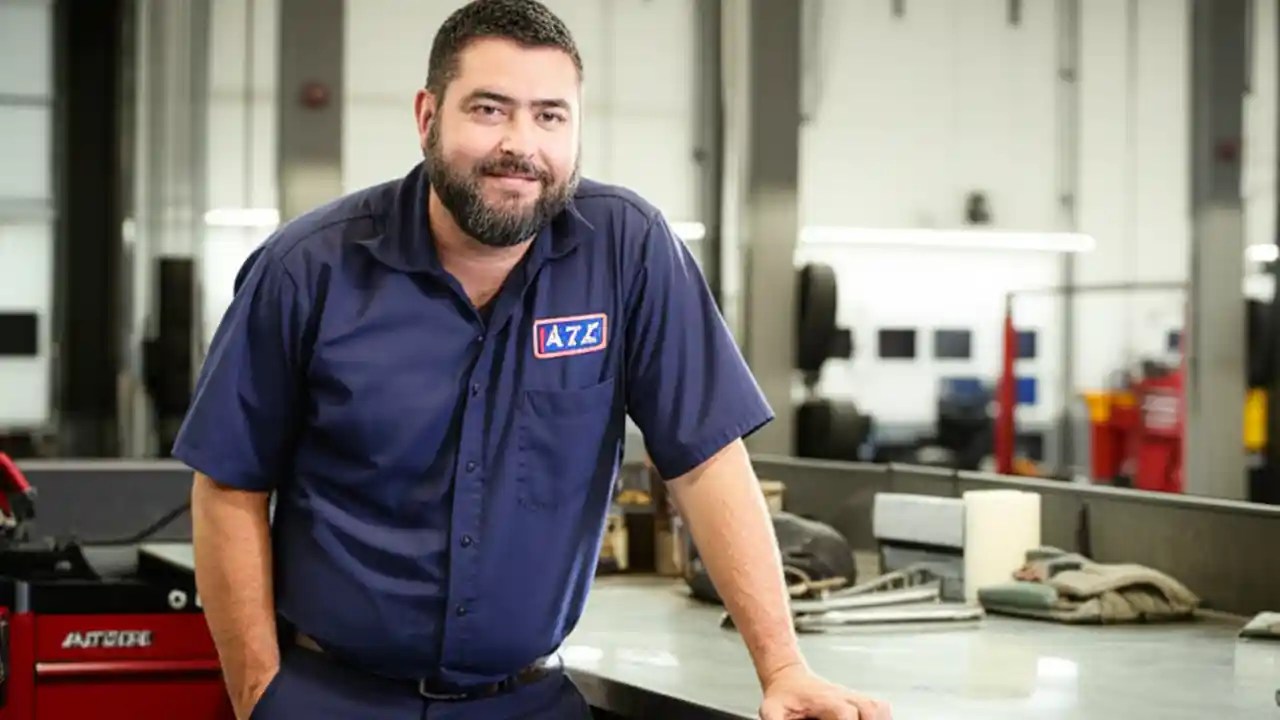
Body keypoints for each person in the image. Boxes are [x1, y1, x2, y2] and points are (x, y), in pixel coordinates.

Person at [175, 1, 892, 718]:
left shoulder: (626, 250)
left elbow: (706, 462)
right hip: (333, 695)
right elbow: (230, 486)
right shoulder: (309, 268)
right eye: (489, 109)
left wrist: (783, 666)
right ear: (427, 116)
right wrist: (259, 694)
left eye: (551, 116)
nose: (521, 144)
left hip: (527, 699)